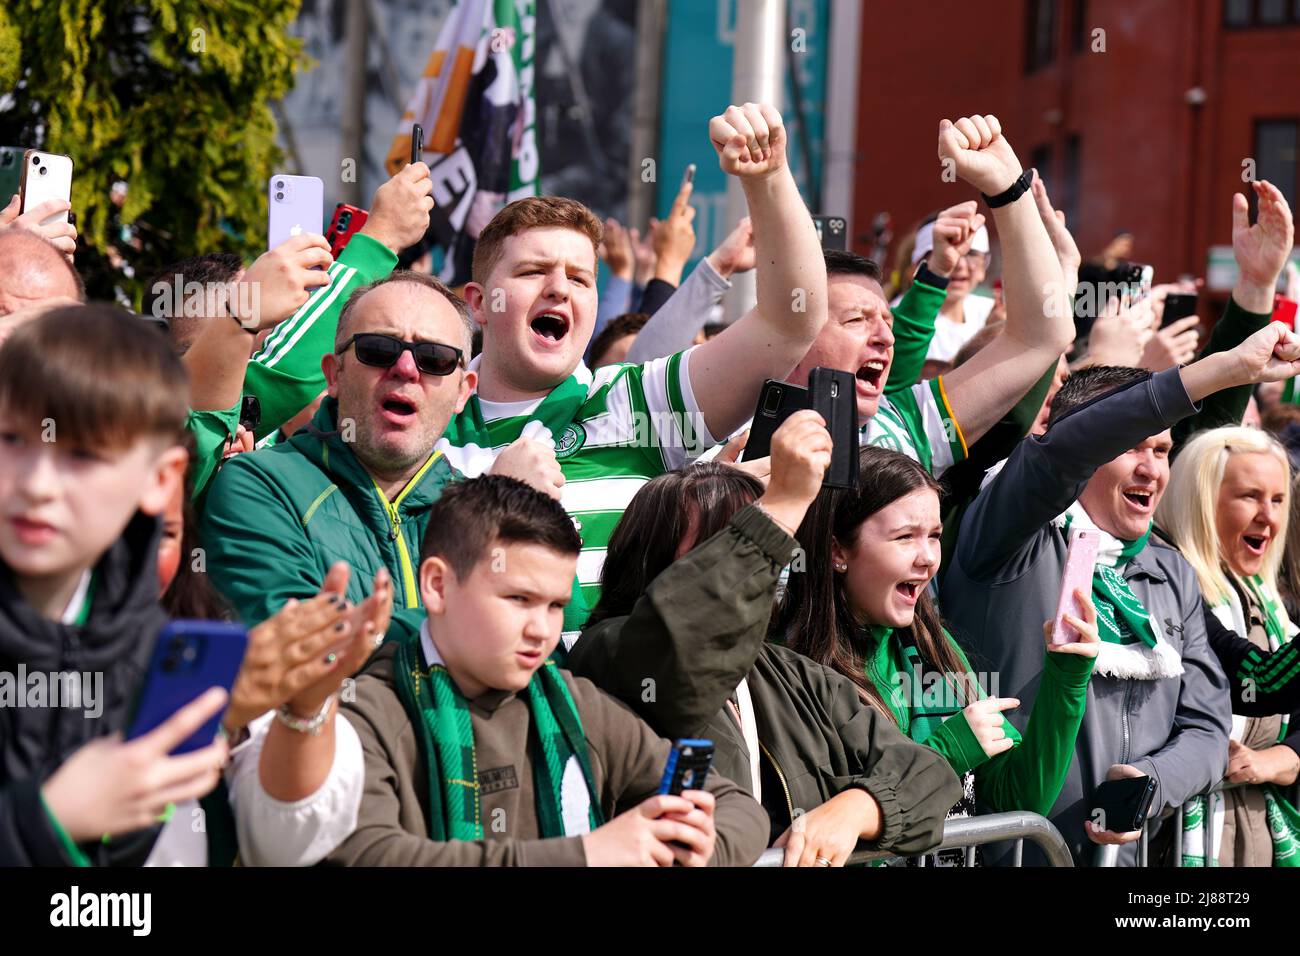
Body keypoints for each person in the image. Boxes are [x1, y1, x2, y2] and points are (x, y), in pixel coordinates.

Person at [436, 102, 831, 621]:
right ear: (480, 302)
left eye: (579, 279)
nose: (559, 288)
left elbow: (789, 323)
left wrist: (768, 177)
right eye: (534, 272)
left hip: (613, 702)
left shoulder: (630, 401)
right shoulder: (425, 423)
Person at [941, 321, 1300, 865]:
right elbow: (1057, 455)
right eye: (1130, 446)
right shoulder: (1009, 538)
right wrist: (1220, 371)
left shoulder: (1169, 570)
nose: (1152, 469)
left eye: (1162, 450)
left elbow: (1206, 725)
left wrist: (1150, 782)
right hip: (1007, 854)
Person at [569, 412, 962, 865]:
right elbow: (683, 660)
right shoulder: (607, 652)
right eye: (723, 545)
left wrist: (858, 808)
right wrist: (782, 504)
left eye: (772, 545)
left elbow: (927, 773)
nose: (764, 566)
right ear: (655, 558)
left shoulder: (788, 671)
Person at [325, 475, 769, 866]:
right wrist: (590, 855)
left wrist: (679, 850)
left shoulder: (575, 702)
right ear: (438, 585)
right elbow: (369, 854)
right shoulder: (364, 711)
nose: (542, 630)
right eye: (518, 599)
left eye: (556, 605)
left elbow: (736, 807)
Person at [773, 445, 1099, 858]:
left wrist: (1067, 677)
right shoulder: (789, 668)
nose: (928, 558)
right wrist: (948, 752)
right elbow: (827, 838)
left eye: (934, 536)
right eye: (905, 537)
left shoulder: (933, 648)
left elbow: (1021, 797)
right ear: (838, 551)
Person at [0, 304, 228, 865]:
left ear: (159, 479)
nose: (37, 485)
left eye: (82, 454)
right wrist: (47, 819)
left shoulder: (158, 658)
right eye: (10, 438)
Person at [200, 271, 476, 627]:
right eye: (378, 349)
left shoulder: (487, 513)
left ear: (462, 391)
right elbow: (303, 650)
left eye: (435, 358)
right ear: (334, 375)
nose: (406, 368)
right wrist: (476, 624)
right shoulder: (258, 484)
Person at [1155, 427, 1300, 866]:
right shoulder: (1170, 585)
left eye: (1277, 500)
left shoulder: (1265, 593)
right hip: (1179, 833)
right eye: (1249, 497)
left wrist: (1284, 756)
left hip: (1260, 828)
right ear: (1201, 503)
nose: (1268, 517)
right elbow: (1258, 679)